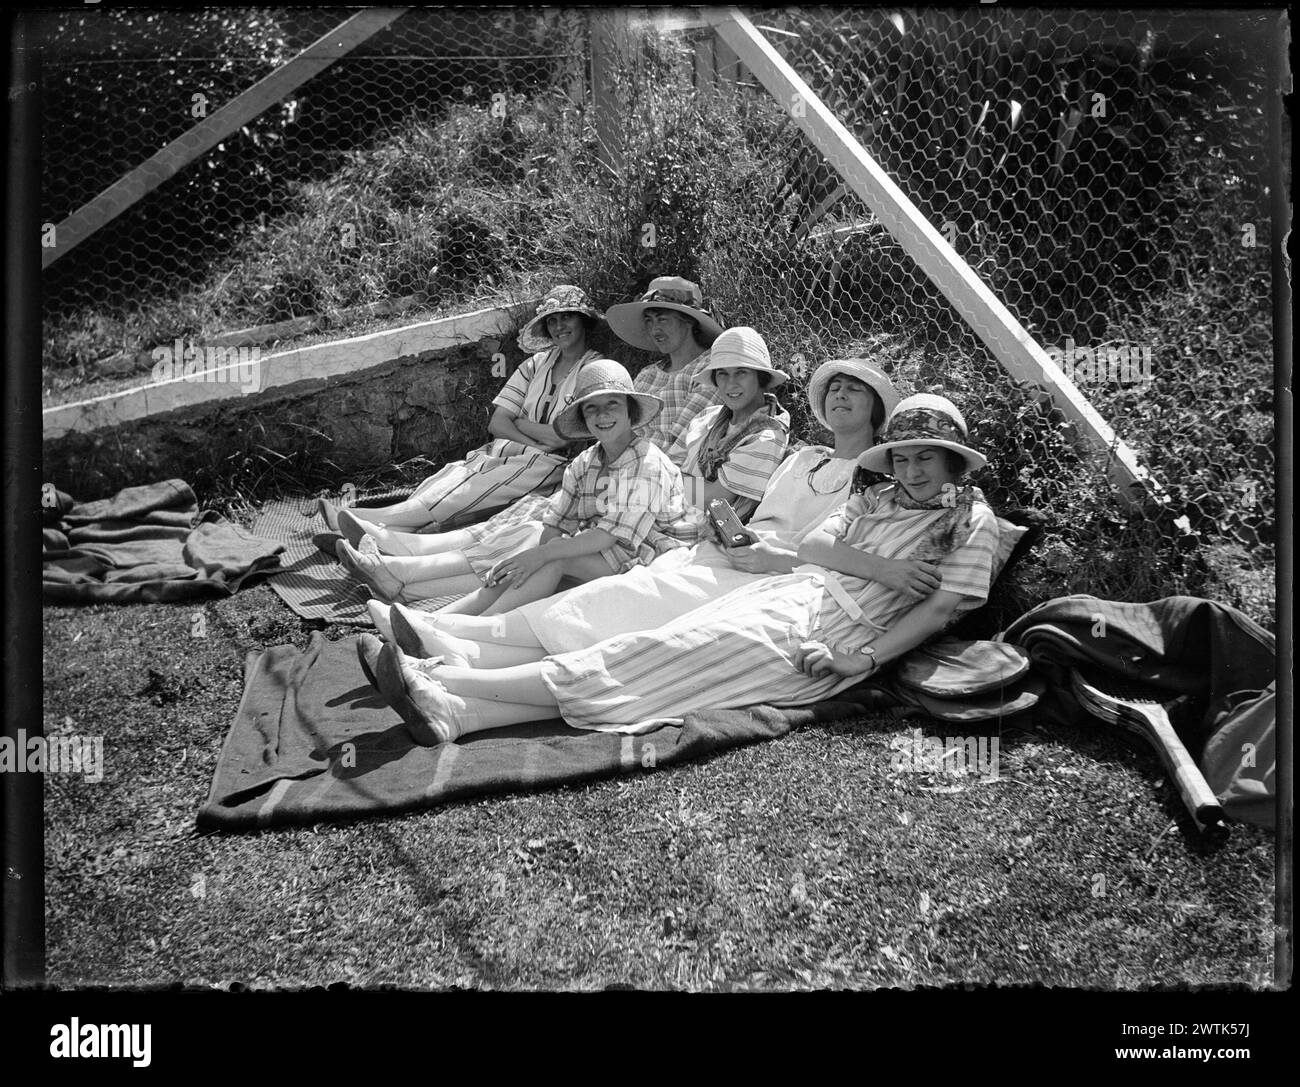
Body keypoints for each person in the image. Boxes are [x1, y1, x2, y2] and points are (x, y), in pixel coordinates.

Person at [360, 393, 1003, 744]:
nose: (915, 470)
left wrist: (861, 661)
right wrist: (883, 569)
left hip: (833, 634)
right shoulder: (875, 496)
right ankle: (456, 699)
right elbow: (815, 548)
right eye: (907, 457)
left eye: (929, 459)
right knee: (652, 643)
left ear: (954, 463)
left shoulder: (971, 519)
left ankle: (451, 684)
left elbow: (942, 608)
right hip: (792, 590)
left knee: (662, 653)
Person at [370, 359, 942, 667]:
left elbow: (829, 554)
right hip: (723, 547)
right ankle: (458, 635)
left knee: (623, 598)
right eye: (834, 389)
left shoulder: (880, 484)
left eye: (855, 392)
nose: (840, 397)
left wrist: (756, 549)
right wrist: (727, 533)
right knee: (583, 575)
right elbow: (738, 513)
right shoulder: (804, 456)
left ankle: (466, 643)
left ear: (878, 411)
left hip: (776, 576)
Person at [332, 277, 731, 603]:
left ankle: (408, 571)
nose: (656, 328)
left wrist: (615, 477)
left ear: (690, 322)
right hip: (614, 474)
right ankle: (404, 568)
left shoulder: (712, 380)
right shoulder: (644, 378)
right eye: (651, 320)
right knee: (528, 517)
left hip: (652, 497)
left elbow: (684, 461)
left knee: (539, 537)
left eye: (666, 318)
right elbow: (517, 422)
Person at [415, 359, 695, 615]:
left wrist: (543, 555)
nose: (603, 416)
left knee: (553, 560)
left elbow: (606, 538)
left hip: (650, 555)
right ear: (584, 418)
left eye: (613, 405)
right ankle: (443, 618)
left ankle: (473, 626)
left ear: (630, 411)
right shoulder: (586, 462)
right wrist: (536, 557)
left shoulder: (647, 463)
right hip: (606, 553)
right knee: (531, 561)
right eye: (591, 408)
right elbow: (557, 523)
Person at [318, 284, 603, 535]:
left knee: (466, 494)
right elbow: (498, 423)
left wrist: (521, 422)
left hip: (549, 465)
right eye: (552, 320)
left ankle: (361, 519)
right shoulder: (535, 364)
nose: (559, 326)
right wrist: (532, 439)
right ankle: (375, 532)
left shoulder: (593, 369)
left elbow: (563, 436)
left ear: (583, 321)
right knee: (448, 478)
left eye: (567, 317)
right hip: (505, 449)